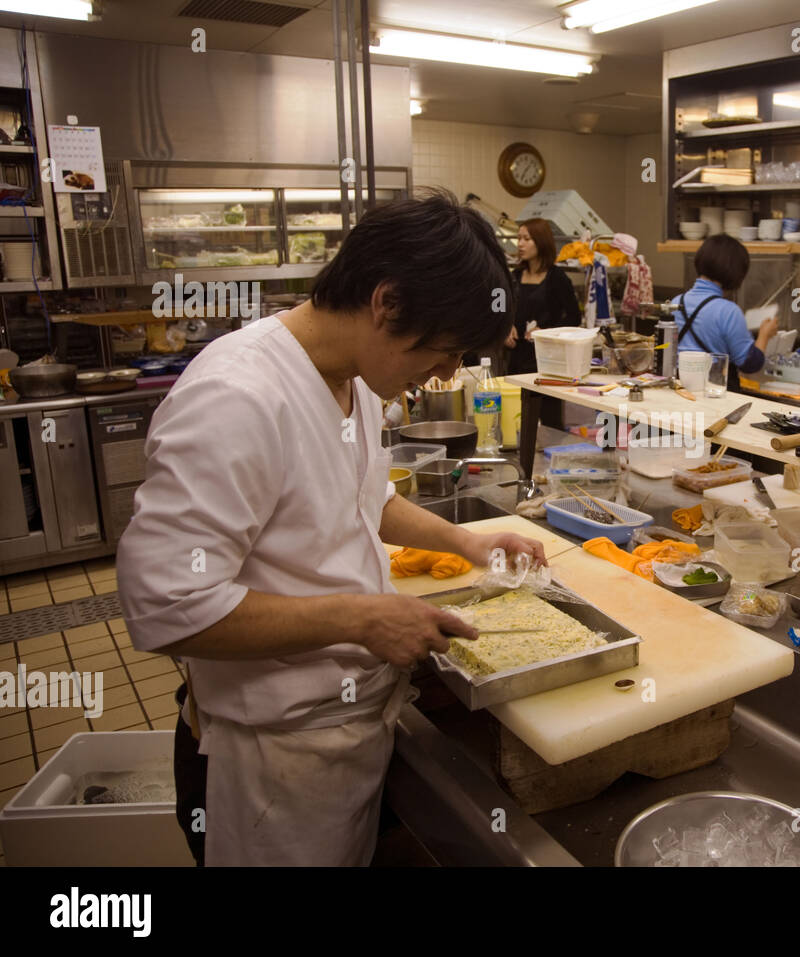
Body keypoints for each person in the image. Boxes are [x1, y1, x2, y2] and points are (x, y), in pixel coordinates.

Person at [116, 190, 546, 867]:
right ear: (387, 302)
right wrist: (364, 619)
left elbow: (360, 499)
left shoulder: (353, 379)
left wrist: (468, 540)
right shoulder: (237, 398)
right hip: (267, 762)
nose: (446, 374)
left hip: (343, 738)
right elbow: (166, 608)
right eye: (442, 351)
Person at [672, 234, 779, 390]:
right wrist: (764, 335)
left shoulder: (676, 302)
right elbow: (750, 363)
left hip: (680, 389)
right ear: (736, 273)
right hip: (714, 394)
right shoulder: (728, 311)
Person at [505, 218, 581, 376]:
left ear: (541, 242)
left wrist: (546, 332)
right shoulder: (514, 276)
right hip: (515, 356)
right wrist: (505, 326)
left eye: (526, 239)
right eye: (519, 238)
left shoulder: (557, 278)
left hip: (547, 359)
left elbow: (574, 317)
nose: (520, 244)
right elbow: (497, 305)